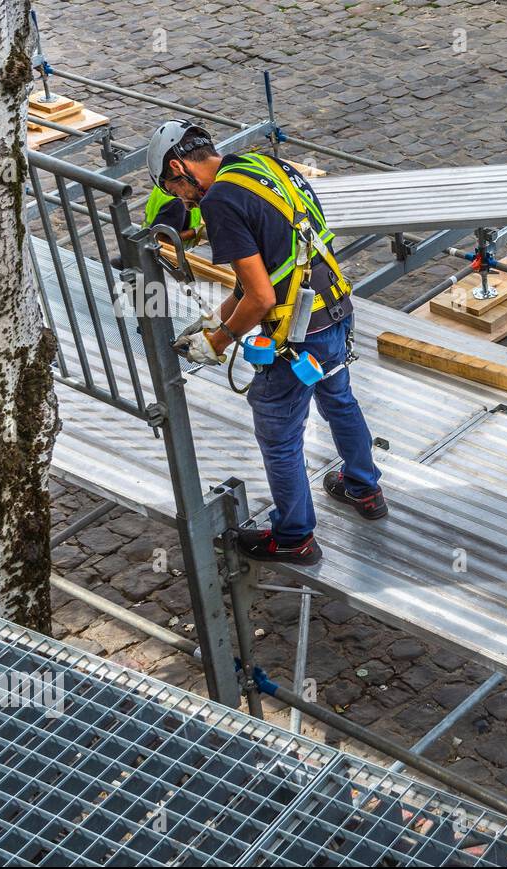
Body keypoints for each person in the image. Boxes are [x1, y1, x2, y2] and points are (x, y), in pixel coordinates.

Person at [146, 120, 386, 566]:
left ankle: (294, 536)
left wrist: (217, 341)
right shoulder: (262, 165)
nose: (183, 199)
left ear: (179, 166)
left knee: (279, 437)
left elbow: (261, 297)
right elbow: (274, 268)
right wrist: (210, 321)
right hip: (332, 308)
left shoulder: (219, 201)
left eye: (175, 188)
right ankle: (364, 488)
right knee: (339, 400)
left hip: (295, 335)